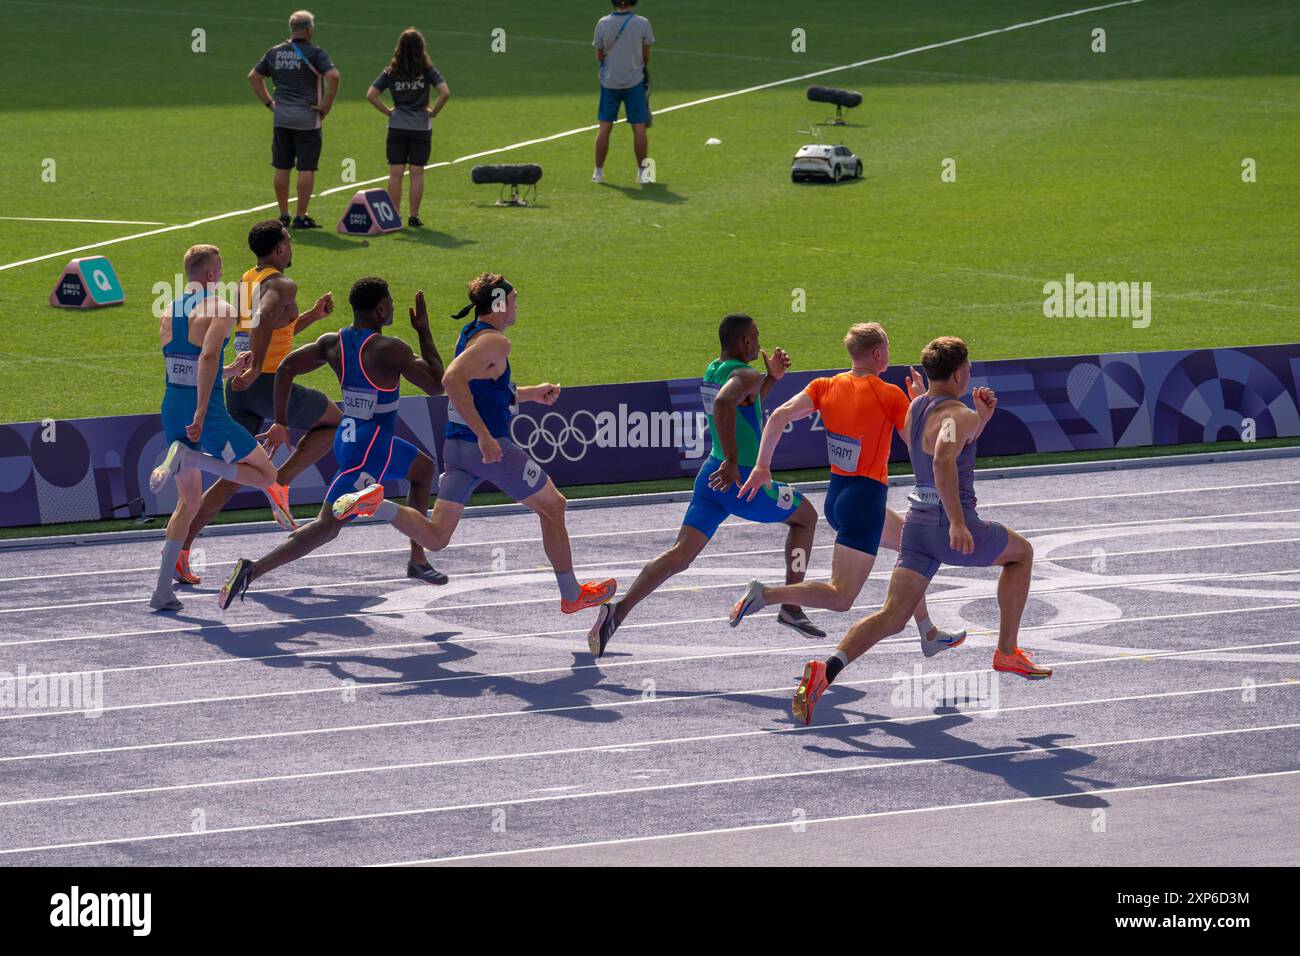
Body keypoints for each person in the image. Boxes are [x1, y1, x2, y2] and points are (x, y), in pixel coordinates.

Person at [315, 273, 618, 616]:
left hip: (457, 449)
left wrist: (533, 394)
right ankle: (571, 594)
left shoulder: (470, 334)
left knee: (436, 537)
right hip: (486, 448)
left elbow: (481, 389)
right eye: (514, 299)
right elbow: (451, 379)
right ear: (501, 303)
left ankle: (376, 504)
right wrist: (487, 437)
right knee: (554, 506)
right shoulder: (497, 343)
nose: (518, 305)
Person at [791, 336, 1051, 726]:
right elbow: (945, 459)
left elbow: (943, 442)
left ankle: (825, 670)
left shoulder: (916, 407)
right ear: (961, 373)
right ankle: (1007, 650)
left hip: (917, 526)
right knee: (1021, 554)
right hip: (950, 525)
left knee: (892, 616)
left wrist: (981, 419)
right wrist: (960, 522)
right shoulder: (957, 415)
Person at [588, 313, 821, 658]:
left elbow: (744, 404)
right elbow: (725, 403)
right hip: (739, 480)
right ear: (744, 342)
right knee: (806, 517)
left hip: (711, 477)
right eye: (756, 338)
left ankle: (617, 613)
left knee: (679, 554)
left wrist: (771, 378)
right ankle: (791, 605)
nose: (760, 344)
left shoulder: (716, 368)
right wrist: (732, 459)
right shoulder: (744, 374)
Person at [729, 323, 966, 654]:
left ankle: (927, 632)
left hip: (838, 496)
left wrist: (762, 467)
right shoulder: (888, 394)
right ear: (878, 354)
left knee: (910, 549)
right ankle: (767, 595)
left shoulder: (825, 385)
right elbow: (921, 442)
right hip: (865, 501)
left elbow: (779, 415)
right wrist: (920, 403)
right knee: (841, 596)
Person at [217, 277, 450, 607]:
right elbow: (437, 385)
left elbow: (285, 368)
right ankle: (253, 569)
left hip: (349, 435)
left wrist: (281, 421)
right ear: (381, 308)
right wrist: (423, 330)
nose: (394, 308)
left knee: (423, 470)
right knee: (328, 525)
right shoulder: (390, 349)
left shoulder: (332, 342)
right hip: (372, 448)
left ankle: (418, 559)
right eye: (391, 303)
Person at [173, 219, 343, 586]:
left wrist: (311, 316)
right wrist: (255, 366)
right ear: (280, 248)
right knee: (336, 422)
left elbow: (271, 326)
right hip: (264, 383)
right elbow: (264, 318)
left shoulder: (247, 278)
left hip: (238, 387)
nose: (292, 246)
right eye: (290, 241)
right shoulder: (282, 283)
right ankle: (279, 481)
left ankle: (181, 549)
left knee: (233, 474)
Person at [149, 245, 278, 612]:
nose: (222, 275)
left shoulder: (169, 311)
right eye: (219, 269)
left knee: (188, 503)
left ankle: (161, 592)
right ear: (210, 274)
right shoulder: (220, 309)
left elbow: (185, 367)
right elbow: (205, 356)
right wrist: (204, 411)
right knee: (267, 475)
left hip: (172, 407)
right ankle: (195, 458)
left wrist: (229, 371)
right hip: (204, 414)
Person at [249, 10, 340, 229]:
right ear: (309, 29)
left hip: (282, 118)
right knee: (306, 167)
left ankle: (283, 214)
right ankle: (301, 215)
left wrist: (270, 104)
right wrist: (326, 105)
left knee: (282, 166)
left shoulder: (275, 52)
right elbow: (333, 77)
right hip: (308, 118)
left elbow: (254, 77)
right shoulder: (316, 53)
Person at [366, 28, 450, 228]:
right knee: (417, 172)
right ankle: (414, 216)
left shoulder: (391, 71)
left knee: (395, 173)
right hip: (420, 127)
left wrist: (388, 111)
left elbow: (371, 94)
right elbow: (445, 92)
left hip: (397, 126)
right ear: (421, 48)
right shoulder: (428, 71)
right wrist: (434, 112)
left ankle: (394, 216)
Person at [592, 0, 654, 184]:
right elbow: (646, 55)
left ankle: (598, 173)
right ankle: (642, 174)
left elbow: (599, 54)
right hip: (634, 82)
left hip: (609, 82)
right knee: (639, 127)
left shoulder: (603, 23)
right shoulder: (642, 23)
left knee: (604, 127)